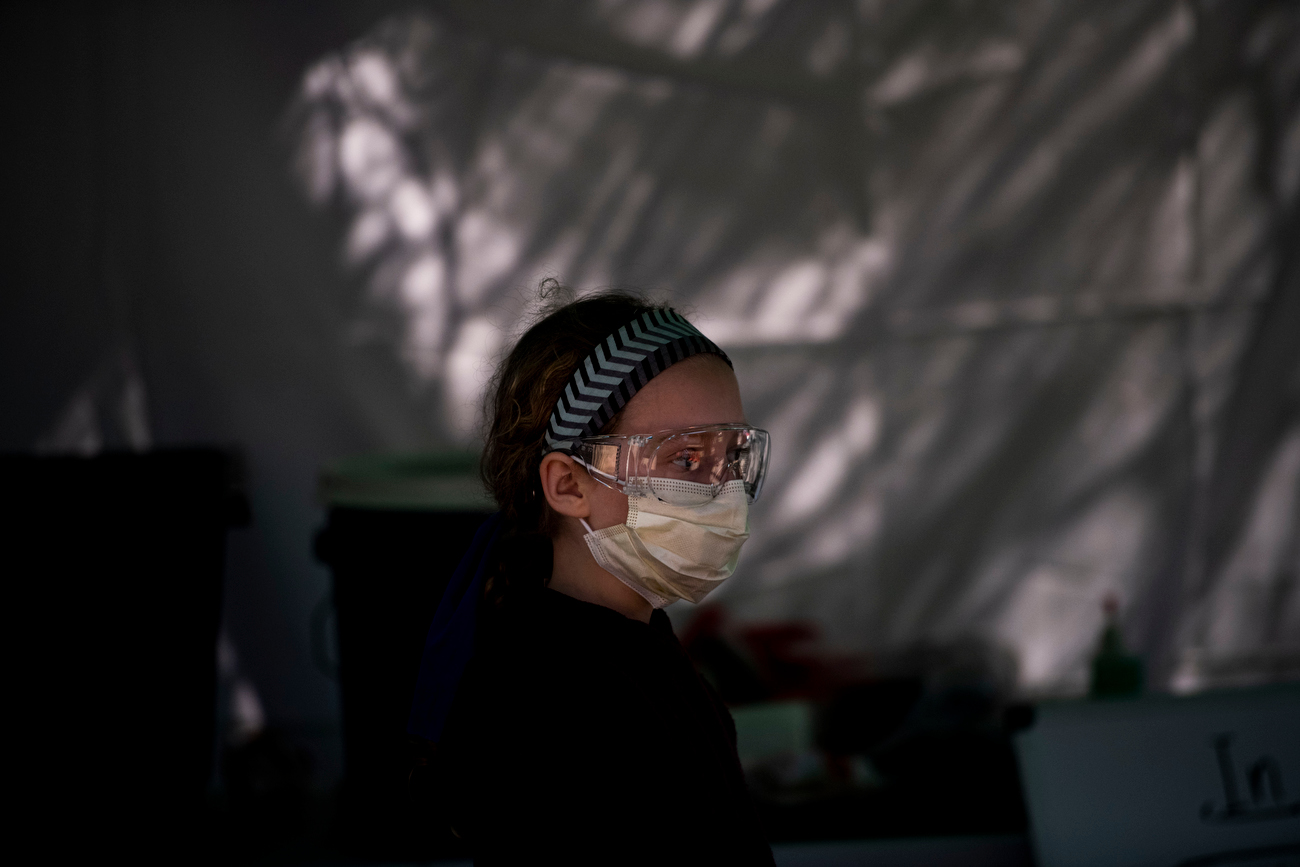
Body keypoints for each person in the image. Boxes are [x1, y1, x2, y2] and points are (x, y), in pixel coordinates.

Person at [409, 288, 775, 864]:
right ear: (568, 485)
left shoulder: (638, 642)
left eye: (733, 457)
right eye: (684, 459)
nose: (723, 488)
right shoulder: (544, 698)